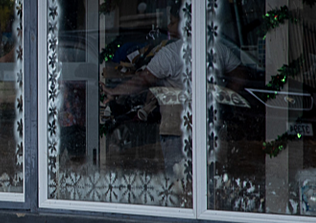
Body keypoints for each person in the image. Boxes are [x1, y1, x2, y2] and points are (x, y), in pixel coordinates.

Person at [102, 10, 246, 175]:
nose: (168, 26)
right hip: (212, 125)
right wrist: (221, 99)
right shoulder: (218, 49)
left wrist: (114, 91)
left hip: (177, 129)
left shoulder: (171, 53)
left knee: (177, 179)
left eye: (171, 21)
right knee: (212, 178)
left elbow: (142, 81)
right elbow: (240, 76)